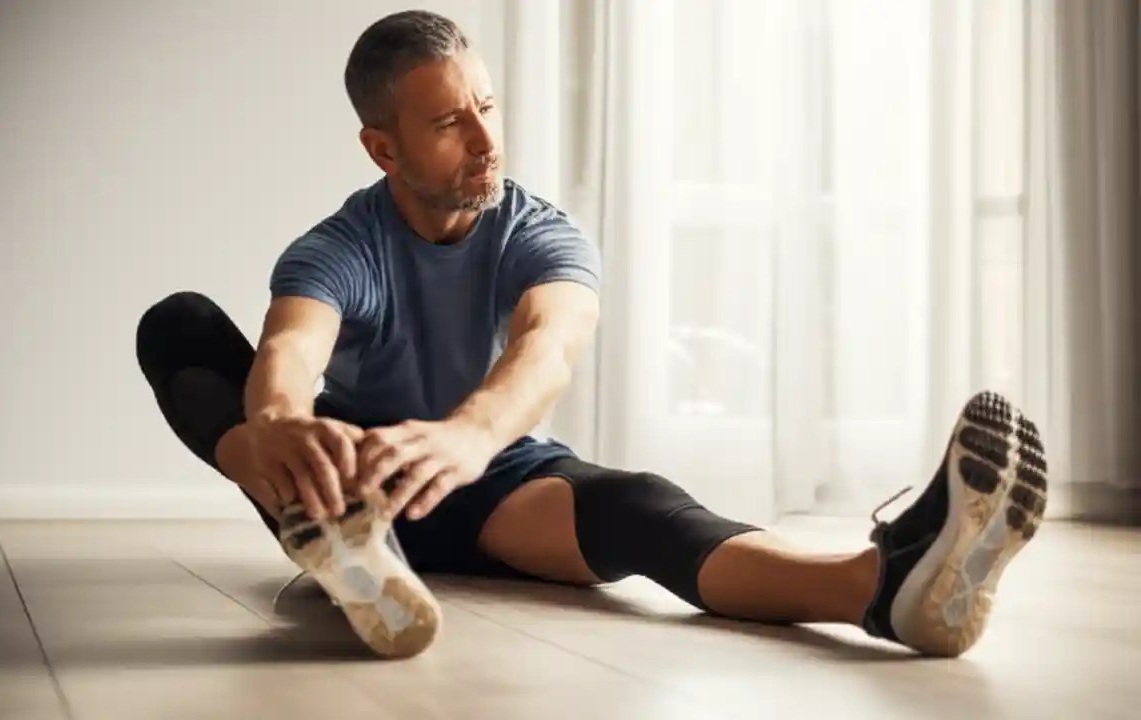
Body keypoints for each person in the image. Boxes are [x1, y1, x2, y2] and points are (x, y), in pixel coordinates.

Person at [135, 10, 1048, 659]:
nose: (487, 141)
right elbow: (292, 348)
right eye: (451, 124)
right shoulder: (342, 247)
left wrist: (468, 436)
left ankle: (881, 588)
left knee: (644, 509)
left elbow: (549, 346)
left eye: (487, 107)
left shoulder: (539, 230)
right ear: (383, 148)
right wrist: (284, 425)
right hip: (347, 474)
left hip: (492, 482)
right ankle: (337, 533)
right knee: (179, 327)